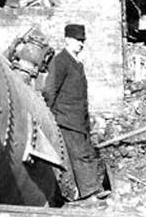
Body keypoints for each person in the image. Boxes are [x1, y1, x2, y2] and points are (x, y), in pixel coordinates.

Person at [42, 24, 107, 199]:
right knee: (80, 154)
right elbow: (50, 90)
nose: (81, 44)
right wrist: (51, 114)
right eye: (78, 40)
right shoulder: (60, 61)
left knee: (85, 152)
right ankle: (91, 192)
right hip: (67, 118)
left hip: (79, 119)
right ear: (67, 40)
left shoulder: (77, 63)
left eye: (82, 41)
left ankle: (88, 191)